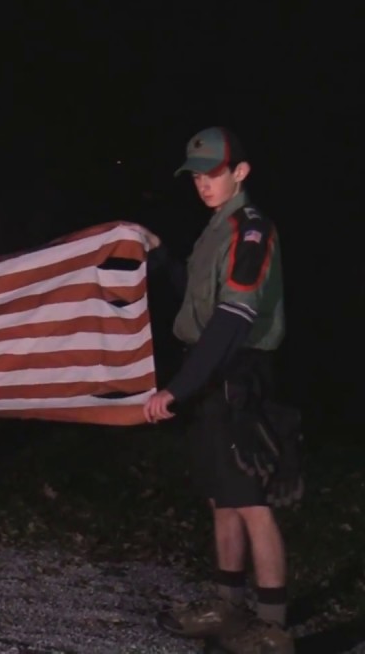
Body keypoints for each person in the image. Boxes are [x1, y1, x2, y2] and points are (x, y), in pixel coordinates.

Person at [140, 127, 296, 654]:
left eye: (213, 173)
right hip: (209, 375)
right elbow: (200, 301)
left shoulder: (252, 231)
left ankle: (273, 626)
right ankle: (227, 608)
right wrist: (163, 260)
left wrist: (177, 390)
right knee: (221, 499)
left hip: (238, 375)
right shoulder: (216, 229)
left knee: (251, 502)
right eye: (197, 176)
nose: (204, 184)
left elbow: (231, 320)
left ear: (240, 172)